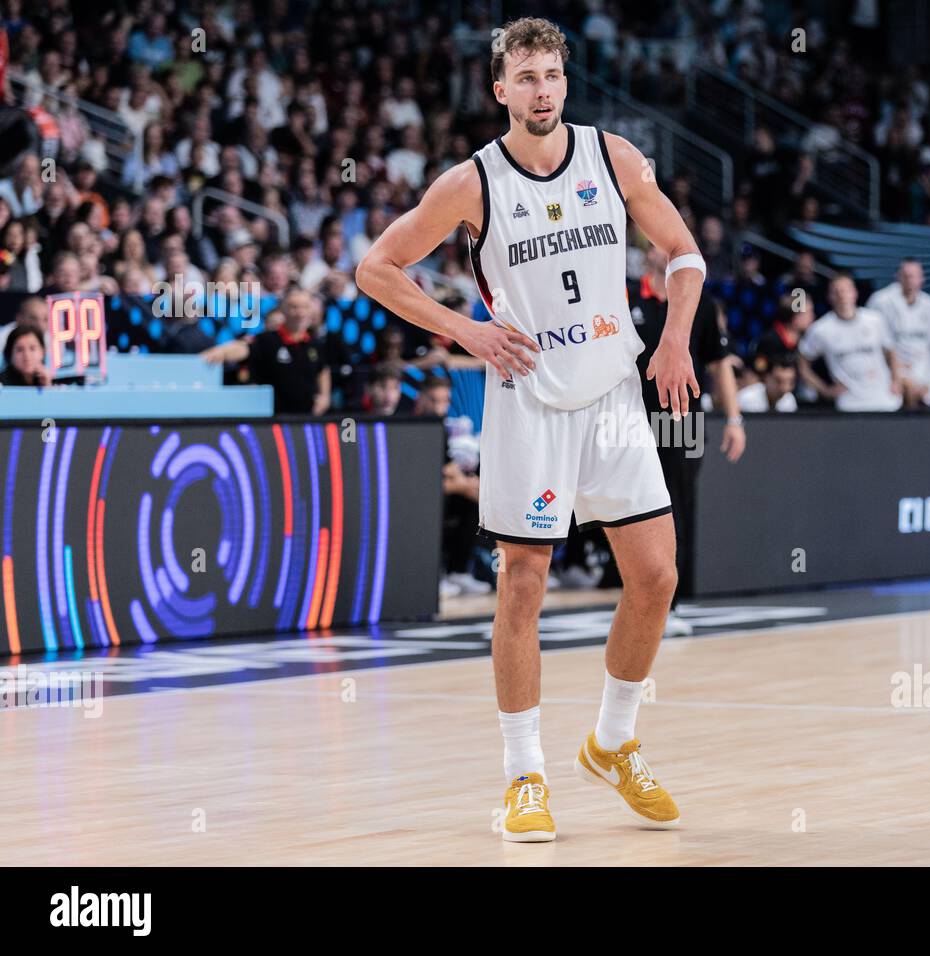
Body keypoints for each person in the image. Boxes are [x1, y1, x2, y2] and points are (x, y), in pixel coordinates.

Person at [356, 17, 699, 841]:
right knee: (523, 584)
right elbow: (375, 268)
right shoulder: (470, 181)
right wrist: (466, 331)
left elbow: (683, 255)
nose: (542, 91)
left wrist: (676, 336)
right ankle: (524, 776)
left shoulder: (613, 156)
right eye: (527, 78)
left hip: (614, 396)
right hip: (530, 401)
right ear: (500, 90)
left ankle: (612, 744)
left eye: (553, 75)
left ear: (564, 83)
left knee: (656, 577)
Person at [623, 244, 745, 636]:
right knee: (624, 508)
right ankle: (624, 590)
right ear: (646, 254)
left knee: (676, 508)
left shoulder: (701, 304)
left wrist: (734, 419)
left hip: (682, 418)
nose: (667, 246)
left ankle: (668, 606)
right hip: (626, 416)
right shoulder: (621, 294)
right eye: (657, 242)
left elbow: (719, 362)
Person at [201, 288, 330, 415]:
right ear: (283, 310)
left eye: (305, 307)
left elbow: (322, 369)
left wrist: (325, 396)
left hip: (307, 420)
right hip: (274, 420)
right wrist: (221, 352)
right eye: (294, 307)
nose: (300, 313)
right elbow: (244, 348)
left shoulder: (315, 343)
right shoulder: (268, 340)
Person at [799, 273, 901, 411]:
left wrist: (896, 381)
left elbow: (891, 352)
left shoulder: (875, 320)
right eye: (836, 291)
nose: (842, 296)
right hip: (849, 405)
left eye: (846, 290)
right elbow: (802, 363)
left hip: (885, 400)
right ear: (829, 297)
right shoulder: (821, 329)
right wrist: (825, 390)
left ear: (854, 293)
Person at [867, 258, 930, 407]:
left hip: (924, 373)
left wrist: (929, 380)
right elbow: (873, 345)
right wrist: (896, 377)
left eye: (914, 275)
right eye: (906, 275)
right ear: (898, 277)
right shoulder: (880, 301)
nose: (910, 280)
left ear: (922, 279)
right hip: (889, 374)